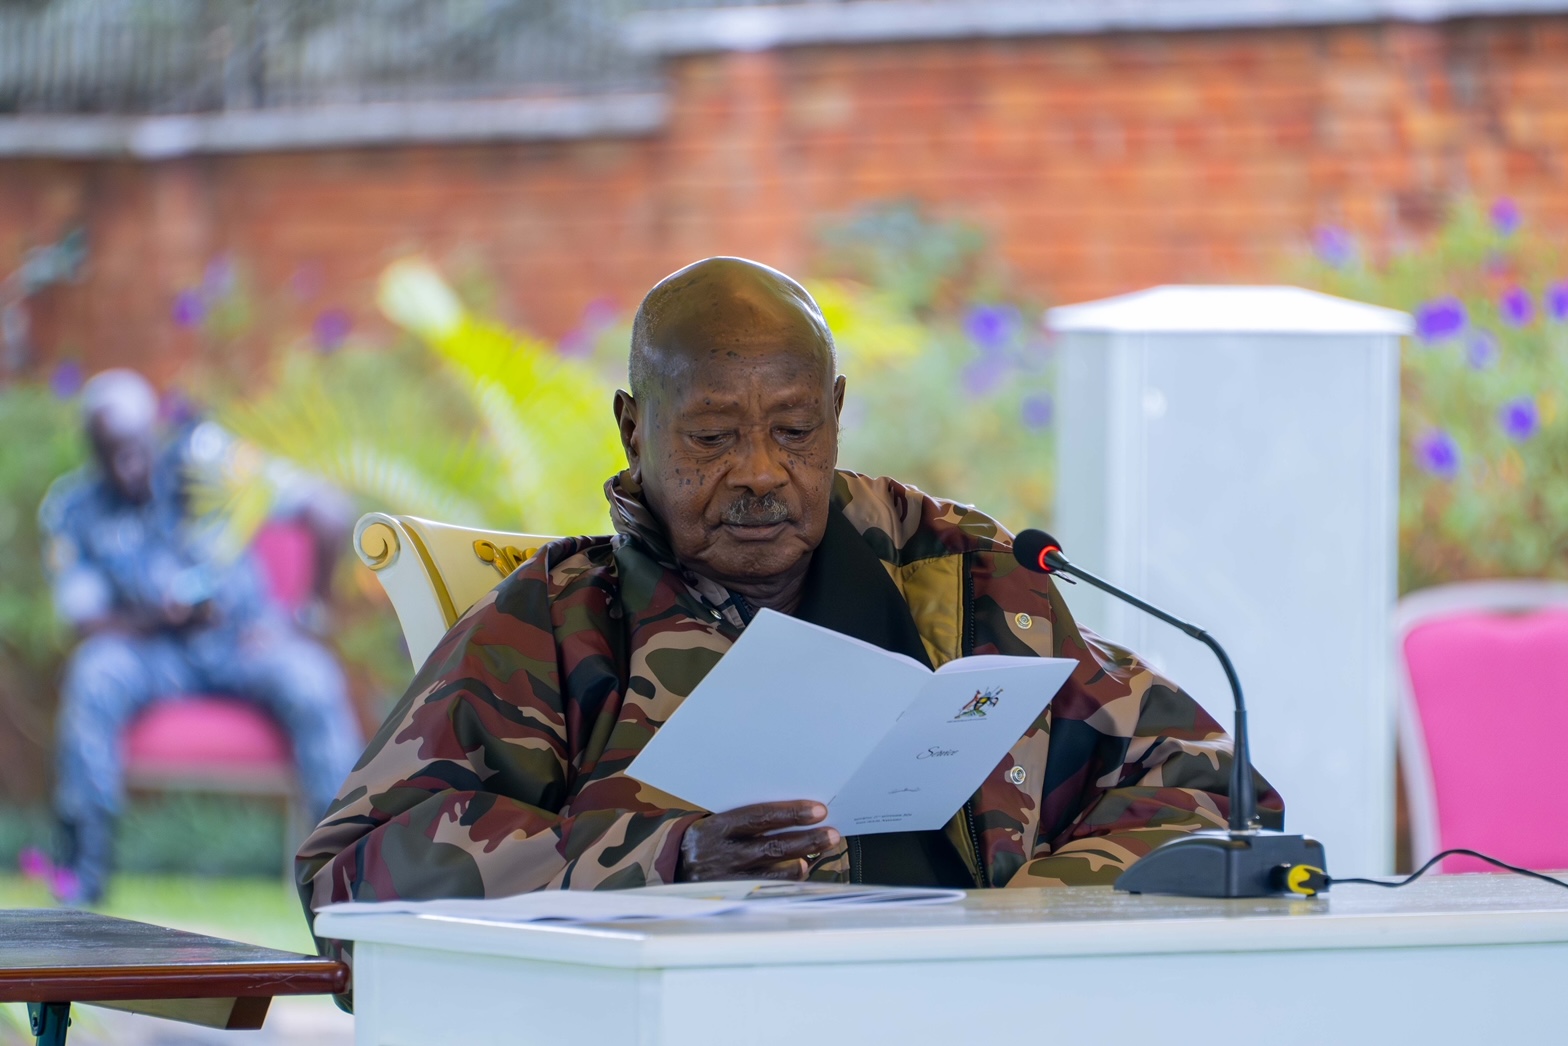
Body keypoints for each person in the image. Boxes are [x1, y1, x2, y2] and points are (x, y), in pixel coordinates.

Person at [298, 258, 1280, 945]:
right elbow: (348, 876)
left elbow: (1219, 795)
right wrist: (671, 858)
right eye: (713, 437)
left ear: (837, 414)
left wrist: (1014, 917)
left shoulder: (965, 579)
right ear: (634, 429)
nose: (761, 472)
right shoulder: (562, 623)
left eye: (795, 429)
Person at [38, 369, 363, 904]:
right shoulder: (74, 509)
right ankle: (82, 879)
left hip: (246, 644)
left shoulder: (208, 460)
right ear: (92, 452)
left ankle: (344, 880)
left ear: (155, 431)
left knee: (313, 678)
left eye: (137, 450)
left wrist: (307, 616)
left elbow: (329, 510)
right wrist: (159, 618)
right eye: (113, 455)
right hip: (152, 654)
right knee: (94, 671)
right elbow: (84, 620)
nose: (129, 468)